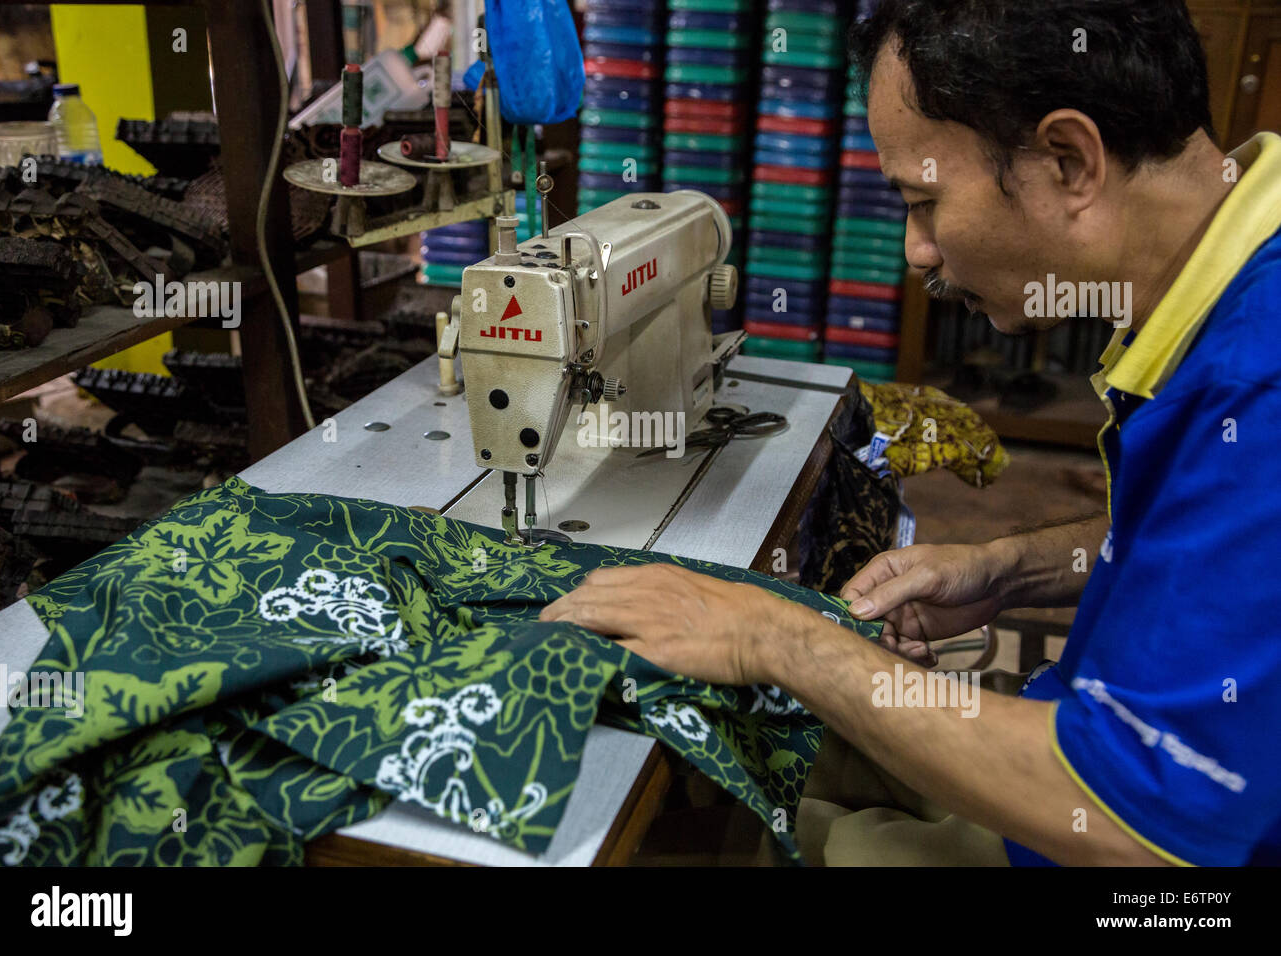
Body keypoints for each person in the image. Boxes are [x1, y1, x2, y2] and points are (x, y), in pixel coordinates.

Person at [542, 0, 1281, 866]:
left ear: (1069, 159)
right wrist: (1015, 566)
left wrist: (774, 636)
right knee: (762, 748)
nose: (916, 251)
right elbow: (1211, 550)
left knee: (715, 831)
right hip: (1102, 752)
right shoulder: (1231, 267)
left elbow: (1145, 825)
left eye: (925, 201)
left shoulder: (1256, 382)